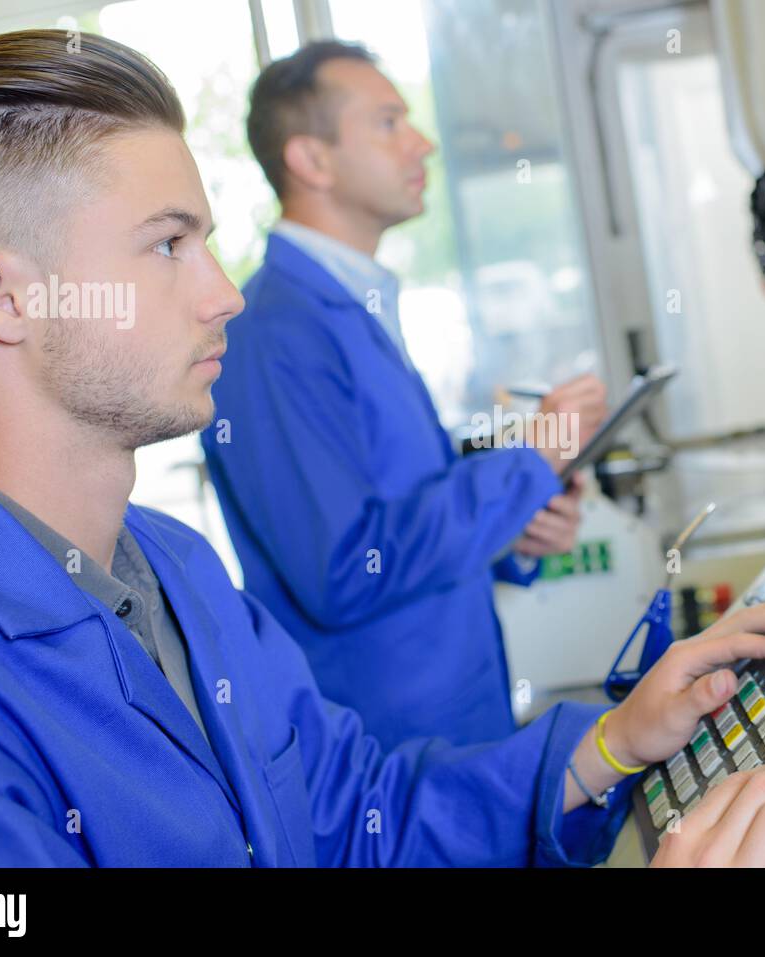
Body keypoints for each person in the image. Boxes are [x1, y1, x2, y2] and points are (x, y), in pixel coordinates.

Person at [0, 30, 765, 868]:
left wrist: (605, 746)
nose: (223, 293)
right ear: (2, 296)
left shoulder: (176, 569)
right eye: (168, 243)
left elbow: (355, 815)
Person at [201, 41, 607, 748]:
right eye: (389, 123)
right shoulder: (272, 333)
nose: (422, 143)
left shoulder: (354, 307)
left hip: (455, 728)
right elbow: (345, 568)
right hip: (385, 756)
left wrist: (518, 524)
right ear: (311, 160)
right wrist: (526, 465)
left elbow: (407, 496)